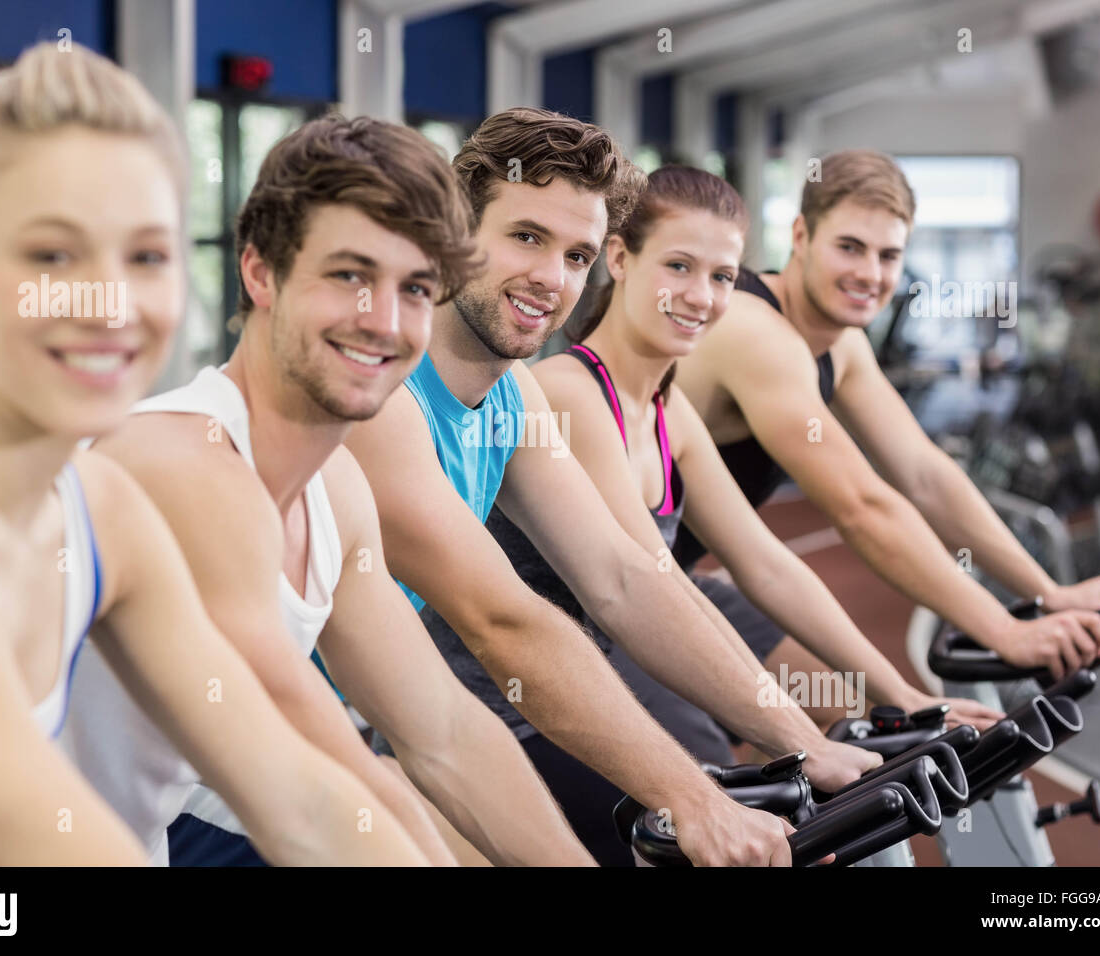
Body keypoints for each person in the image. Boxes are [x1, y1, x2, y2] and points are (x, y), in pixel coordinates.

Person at [0, 43, 427, 866]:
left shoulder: (101, 508)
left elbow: (300, 802)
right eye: (51, 255)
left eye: (147, 257)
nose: (108, 302)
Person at [346, 107, 880, 867]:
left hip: (389, 736)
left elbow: (626, 579)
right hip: (255, 771)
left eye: (575, 255)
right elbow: (503, 624)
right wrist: (692, 801)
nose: (550, 278)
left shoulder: (514, 399)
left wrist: (802, 743)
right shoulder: (386, 393)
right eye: (527, 237)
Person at [67, 114, 594, 867]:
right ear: (261, 273)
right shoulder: (183, 462)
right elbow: (310, 793)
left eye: (414, 287)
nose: (382, 321)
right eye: (350, 276)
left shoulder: (337, 488)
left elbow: (440, 728)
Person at [470, 164, 999, 774]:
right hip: (514, 712)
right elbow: (646, 586)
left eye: (722, 276)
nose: (702, 296)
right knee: (727, 778)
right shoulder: (570, 393)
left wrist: (905, 699)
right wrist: (801, 742)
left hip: (608, 645)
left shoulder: (671, 406)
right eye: (678, 266)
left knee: (841, 707)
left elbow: (766, 564)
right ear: (618, 258)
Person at [674, 150, 1100, 680]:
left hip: (669, 574)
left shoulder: (843, 345)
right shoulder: (754, 331)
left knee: (836, 701)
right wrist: (1002, 630)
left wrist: (1049, 594)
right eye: (850, 248)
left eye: (888, 256)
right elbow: (862, 506)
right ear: (801, 236)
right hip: (587, 585)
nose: (870, 273)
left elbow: (924, 474)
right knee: (738, 738)